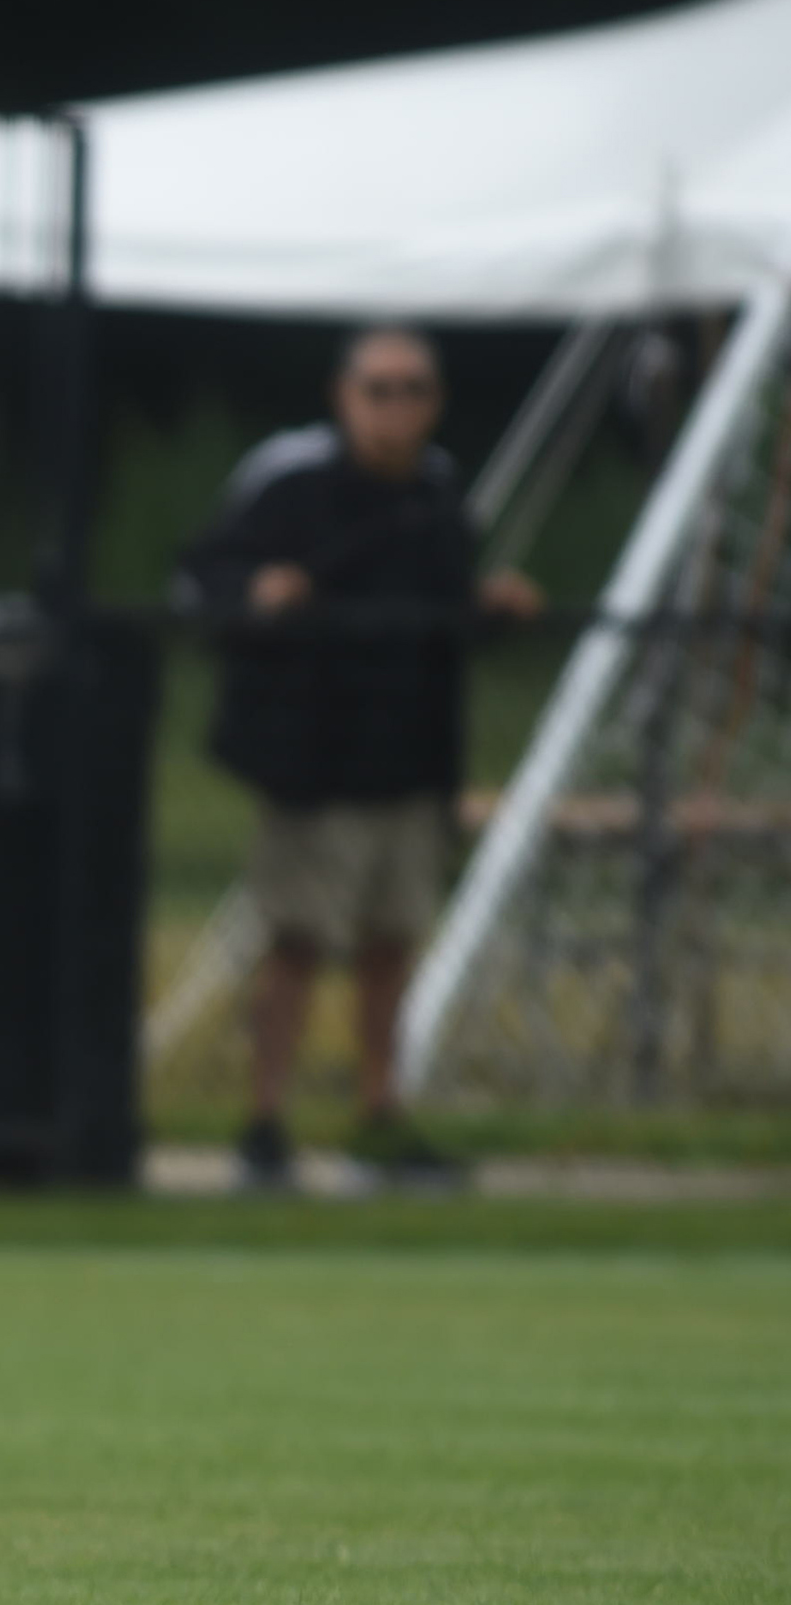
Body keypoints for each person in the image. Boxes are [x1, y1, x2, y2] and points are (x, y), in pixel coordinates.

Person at [177, 323, 544, 1189]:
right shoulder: (291, 482)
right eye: (378, 389)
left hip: (413, 760)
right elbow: (202, 582)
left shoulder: (439, 491)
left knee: (392, 942)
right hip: (316, 762)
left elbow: (444, 615)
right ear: (343, 396)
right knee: (297, 940)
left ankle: (378, 1118)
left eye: (413, 389)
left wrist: (490, 608)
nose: (395, 407)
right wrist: (260, 596)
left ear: (436, 402)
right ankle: (265, 1126)